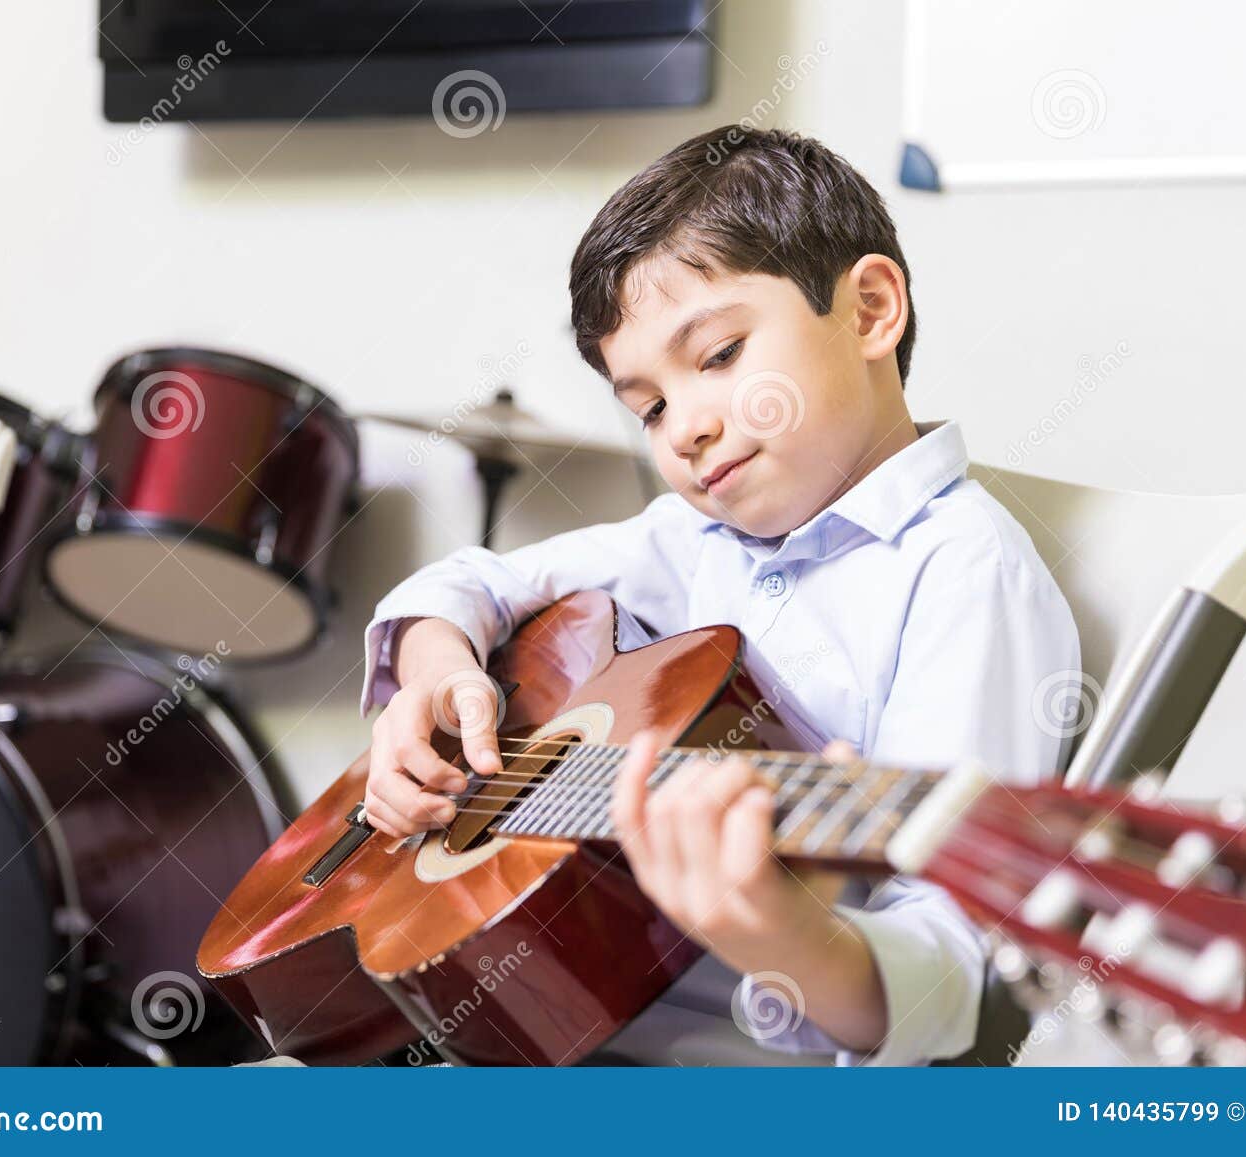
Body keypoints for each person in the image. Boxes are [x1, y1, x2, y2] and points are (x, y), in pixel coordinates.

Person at [358, 125, 1080, 1065]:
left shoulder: (966, 575)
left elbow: (960, 986)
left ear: (868, 309)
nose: (687, 428)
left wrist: (786, 933)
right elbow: (469, 580)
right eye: (649, 407)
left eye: (721, 353)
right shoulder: (694, 539)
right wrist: (434, 678)